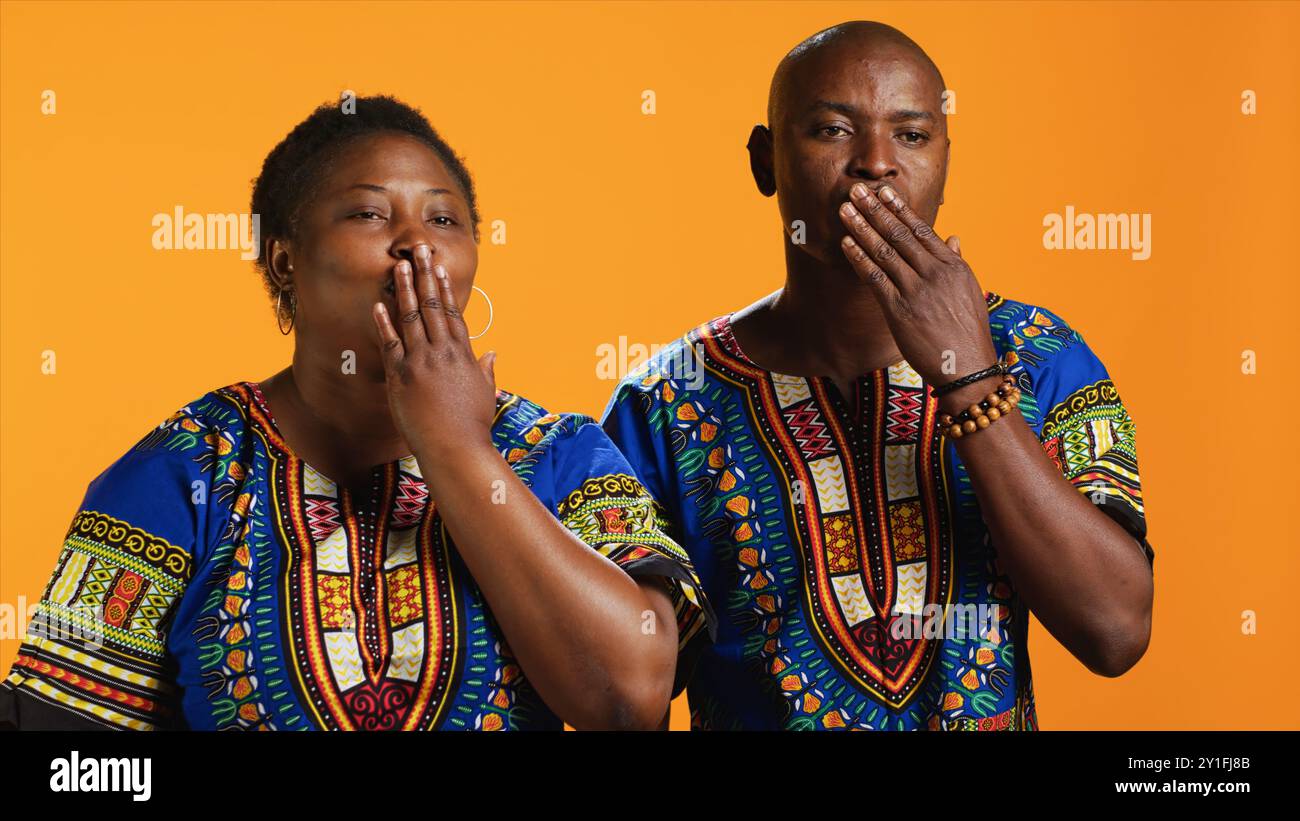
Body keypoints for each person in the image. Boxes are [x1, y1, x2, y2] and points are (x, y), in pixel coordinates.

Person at [0, 95, 712, 731]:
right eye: (370, 213)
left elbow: (630, 698)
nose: (416, 242)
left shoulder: (555, 454)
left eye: (443, 218)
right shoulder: (182, 473)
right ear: (284, 260)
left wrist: (458, 448)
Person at [600, 21, 1153, 730]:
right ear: (765, 162)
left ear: (945, 164)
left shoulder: (1038, 354)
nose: (876, 163)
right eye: (833, 131)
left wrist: (970, 378)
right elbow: (617, 692)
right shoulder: (665, 399)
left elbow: (1115, 630)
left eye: (912, 136)